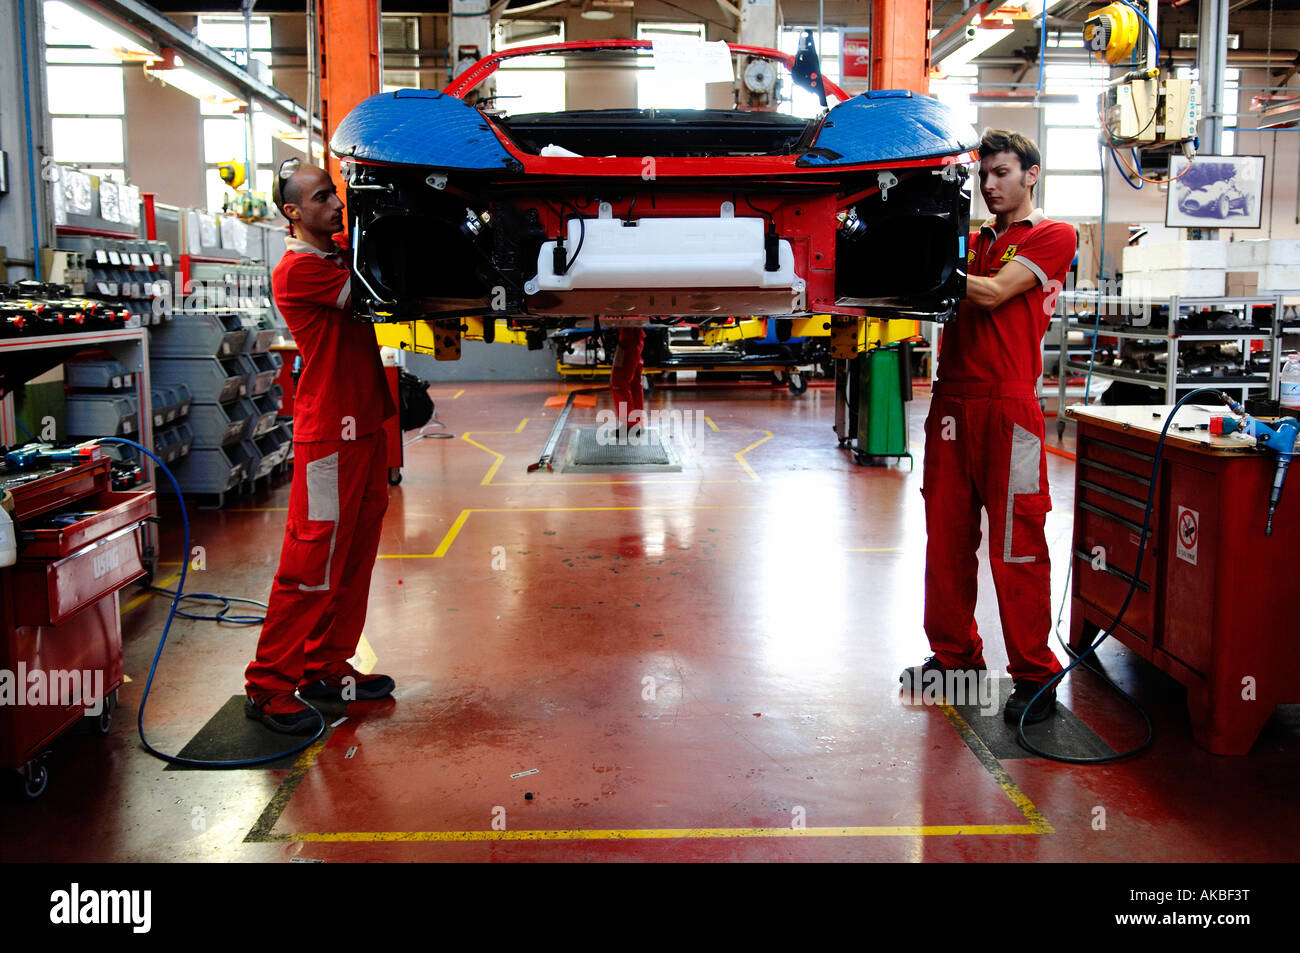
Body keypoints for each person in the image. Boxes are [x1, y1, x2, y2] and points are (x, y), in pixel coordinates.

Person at [901, 129, 1077, 724]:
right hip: (951, 404)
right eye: (983, 176)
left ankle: (1034, 674)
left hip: (1010, 410)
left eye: (1001, 172)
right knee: (946, 539)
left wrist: (924, 269)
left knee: (1017, 544)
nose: (989, 185)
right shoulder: (973, 241)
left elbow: (999, 293)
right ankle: (955, 662)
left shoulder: (1054, 235)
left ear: (1031, 174)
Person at [244, 159, 398, 734]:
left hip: (364, 427)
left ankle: (326, 667)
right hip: (330, 436)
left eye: (335, 193)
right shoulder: (299, 270)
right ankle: (268, 685)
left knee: (354, 557)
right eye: (321, 197)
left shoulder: (333, 256)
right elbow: (380, 295)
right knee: (311, 562)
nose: (335, 203)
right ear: (293, 212)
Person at [609, 325, 646, 439]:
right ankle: (636, 422)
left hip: (628, 339)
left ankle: (631, 425)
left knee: (618, 383)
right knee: (634, 383)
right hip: (633, 337)